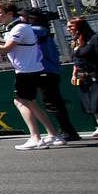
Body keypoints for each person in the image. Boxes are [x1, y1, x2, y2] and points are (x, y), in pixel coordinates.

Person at [0, 0, 61, 150]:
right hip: (30, 69)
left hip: (26, 71)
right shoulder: (17, 28)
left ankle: (35, 137)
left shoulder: (19, 28)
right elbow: (5, 43)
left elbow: (5, 49)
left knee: (20, 102)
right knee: (31, 103)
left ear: (9, 14)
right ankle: (52, 134)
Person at [25, 11, 80, 142]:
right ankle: (67, 131)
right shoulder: (42, 30)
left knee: (52, 103)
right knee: (54, 102)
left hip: (46, 71)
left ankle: (67, 132)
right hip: (50, 70)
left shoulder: (37, 30)